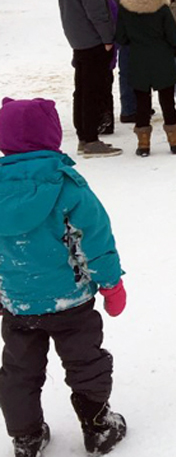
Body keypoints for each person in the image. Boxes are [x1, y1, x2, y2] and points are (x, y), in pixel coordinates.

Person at [0, 97, 127, 457]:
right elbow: (95, 240)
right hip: (70, 301)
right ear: (52, 136)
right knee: (85, 361)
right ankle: (98, 426)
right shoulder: (68, 187)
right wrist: (111, 283)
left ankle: (26, 437)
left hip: (19, 304)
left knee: (19, 372)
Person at [54, 0, 122, 158]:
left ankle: (85, 135)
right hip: (92, 35)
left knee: (82, 87)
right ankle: (91, 139)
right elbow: (94, 6)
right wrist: (107, 36)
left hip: (77, 33)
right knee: (93, 87)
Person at [115, 0, 176, 156]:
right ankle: (175, 141)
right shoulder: (161, 5)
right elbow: (173, 36)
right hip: (161, 57)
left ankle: (143, 144)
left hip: (138, 58)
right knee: (167, 100)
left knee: (142, 103)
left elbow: (121, 37)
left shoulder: (125, 6)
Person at [102, 0, 139, 126]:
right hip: (126, 31)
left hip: (122, 30)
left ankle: (133, 105)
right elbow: (125, 8)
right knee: (128, 69)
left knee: (130, 68)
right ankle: (129, 109)